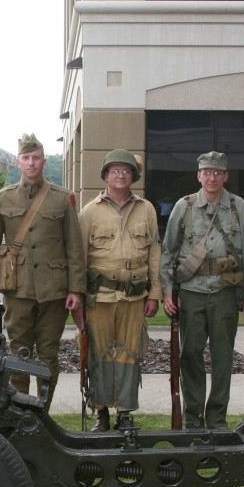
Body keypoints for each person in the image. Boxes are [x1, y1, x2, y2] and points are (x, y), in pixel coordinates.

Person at [0, 133, 85, 407]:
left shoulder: (63, 198)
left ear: (44, 161)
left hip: (54, 290)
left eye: (36, 157)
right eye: (26, 158)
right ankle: (21, 412)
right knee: (19, 354)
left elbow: (74, 247)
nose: (31, 163)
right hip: (18, 289)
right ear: (18, 162)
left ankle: (42, 413)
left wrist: (76, 289)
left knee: (48, 355)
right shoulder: (2, 198)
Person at [159, 152, 244, 430]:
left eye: (217, 173)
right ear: (199, 176)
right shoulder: (184, 206)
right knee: (190, 355)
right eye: (207, 172)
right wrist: (167, 291)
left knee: (223, 357)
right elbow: (168, 251)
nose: (212, 177)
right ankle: (193, 418)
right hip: (191, 293)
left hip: (225, 292)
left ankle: (217, 418)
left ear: (225, 176)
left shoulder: (238, 206)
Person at [76, 149, 162, 431]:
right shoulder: (90, 211)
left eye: (126, 171)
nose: (121, 175)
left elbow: (154, 253)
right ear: (105, 176)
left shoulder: (146, 209)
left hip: (134, 297)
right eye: (115, 170)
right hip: (99, 297)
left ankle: (124, 413)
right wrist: (78, 298)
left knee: (129, 353)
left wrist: (155, 293)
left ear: (133, 176)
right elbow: (79, 258)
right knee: (99, 353)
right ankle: (101, 412)